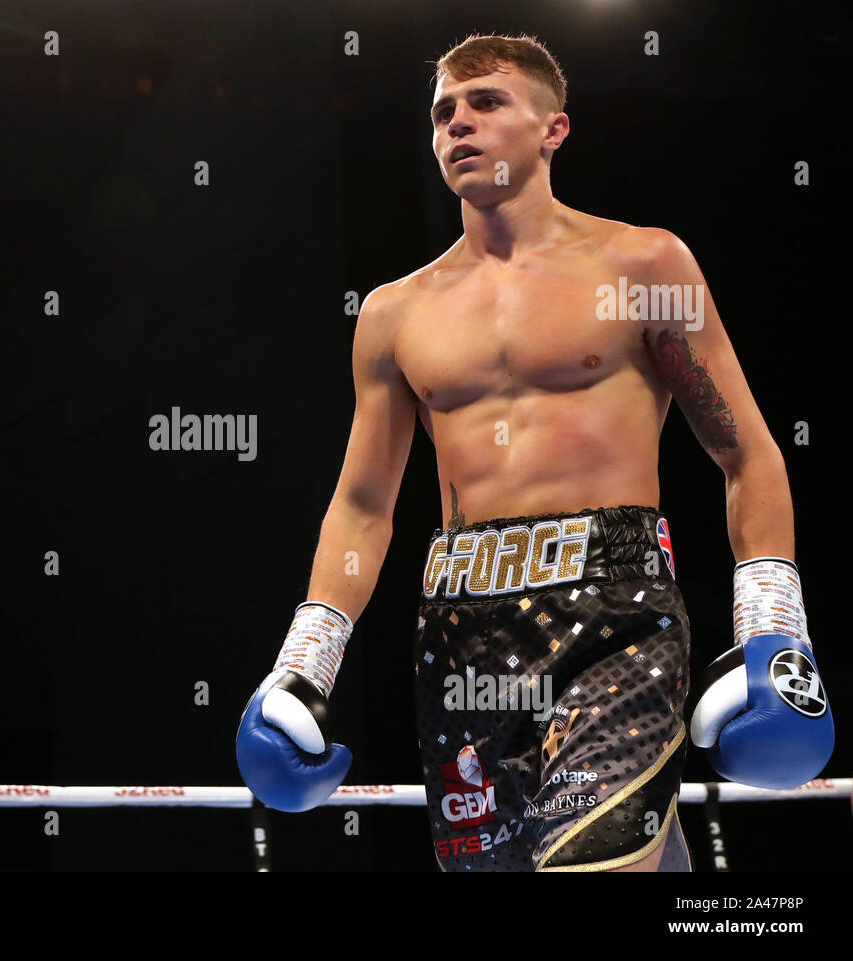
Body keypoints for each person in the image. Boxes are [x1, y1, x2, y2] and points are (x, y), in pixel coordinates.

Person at [236, 34, 833, 872]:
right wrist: (304, 663)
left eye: (486, 102)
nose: (458, 124)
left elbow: (748, 455)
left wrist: (776, 631)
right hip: (462, 633)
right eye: (443, 110)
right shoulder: (393, 313)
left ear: (553, 129)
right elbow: (364, 507)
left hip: (615, 618)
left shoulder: (642, 262)